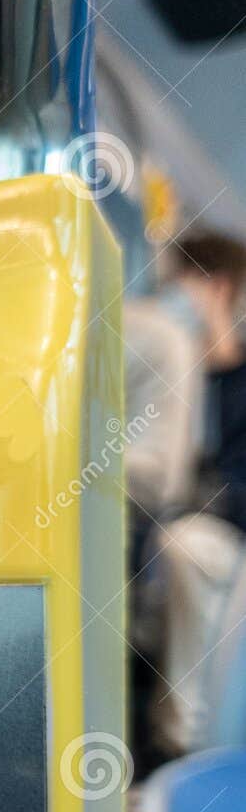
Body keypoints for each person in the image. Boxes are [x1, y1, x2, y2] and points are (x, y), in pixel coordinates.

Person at [140, 231, 246, 755]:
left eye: (182, 287)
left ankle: (188, 744)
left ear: (218, 288)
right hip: (161, 528)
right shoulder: (161, 376)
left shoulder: (237, 383)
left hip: (223, 538)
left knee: (185, 546)